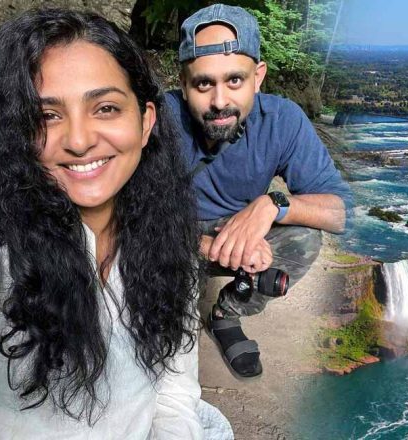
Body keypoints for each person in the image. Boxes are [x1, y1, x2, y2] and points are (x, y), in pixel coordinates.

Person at [0, 9, 207, 438]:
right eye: (46, 116)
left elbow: (174, 388)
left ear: (146, 123)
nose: (80, 140)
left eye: (105, 108)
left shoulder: (166, 236)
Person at [165, 4, 353, 378]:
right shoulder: (159, 119)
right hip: (168, 233)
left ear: (258, 77)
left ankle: (226, 314)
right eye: (204, 83)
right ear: (184, 85)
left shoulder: (282, 120)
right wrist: (199, 245)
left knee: (303, 238)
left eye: (234, 80)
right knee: (165, 327)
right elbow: (113, 209)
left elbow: (338, 212)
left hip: (240, 233)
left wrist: (272, 205)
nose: (220, 102)